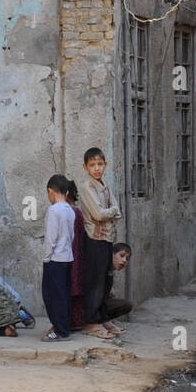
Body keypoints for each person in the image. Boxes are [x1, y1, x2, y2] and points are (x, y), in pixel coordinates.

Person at [79, 146, 122, 340]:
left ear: (105, 165)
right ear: (85, 167)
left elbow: (117, 211)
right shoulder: (87, 187)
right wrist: (110, 212)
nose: (97, 168)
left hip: (107, 238)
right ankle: (91, 322)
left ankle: (103, 318)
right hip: (94, 240)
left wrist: (110, 212)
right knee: (94, 283)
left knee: (106, 281)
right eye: (92, 165)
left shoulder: (105, 185)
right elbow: (98, 214)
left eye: (100, 164)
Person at [41, 174, 75, 340]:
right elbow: (72, 236)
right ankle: (63, 326)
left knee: (52, 296)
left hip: (55, 260)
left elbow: (50, 238)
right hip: (68, 258)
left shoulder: (53, 210)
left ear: (50, 191)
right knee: (64, 295)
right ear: (67, 192)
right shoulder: (70, 210)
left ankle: (60, 331)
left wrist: (46, 259)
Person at [65, 179, 87, 332]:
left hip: (69, 255)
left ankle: (70, 321)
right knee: (76, 287)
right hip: (78, 254)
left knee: (68, 288)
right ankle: (77, 321)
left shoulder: (68, 212)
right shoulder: (78, 212)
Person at [102, 242, 133, 331]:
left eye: (127, 259)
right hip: (88, 307)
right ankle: (101, 321)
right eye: (121, 255)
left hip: (99, 306)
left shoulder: (110, 273)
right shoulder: (102, 269)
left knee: (126, 305)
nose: (124, 261)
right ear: (112, 254)